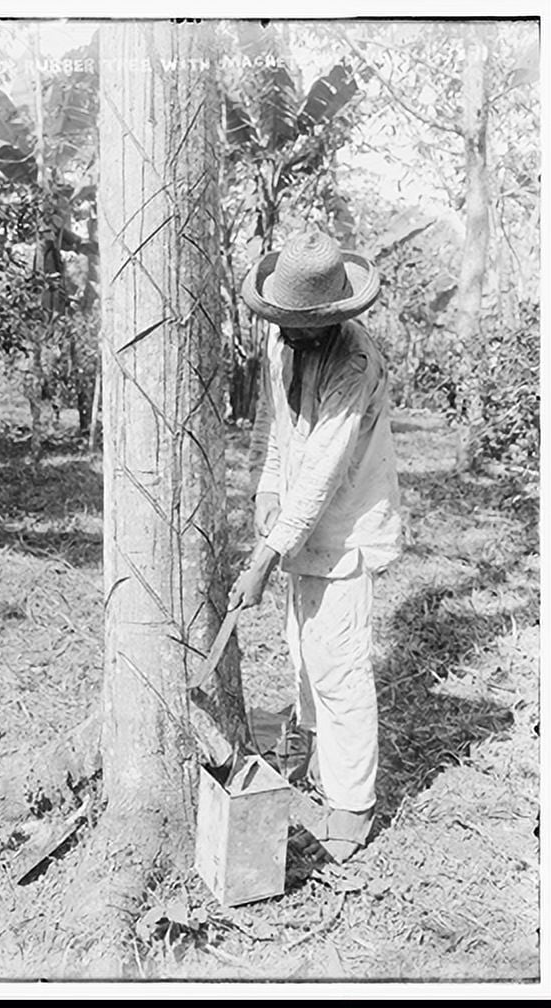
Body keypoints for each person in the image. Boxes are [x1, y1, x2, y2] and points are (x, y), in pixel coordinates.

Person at [228, 230, 402, 862]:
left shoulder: (355, 363)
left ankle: (352, 809)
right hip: (298, 527)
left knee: (340, 670)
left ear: (333, 317)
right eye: (283, 322)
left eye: (303, 326)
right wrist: (266, 490)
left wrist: (263, 558)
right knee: (303, 653)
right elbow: (277, 428)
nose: (289, 333)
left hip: (346, 523)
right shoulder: (282, 340)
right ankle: (309, 762)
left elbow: (325, 470)